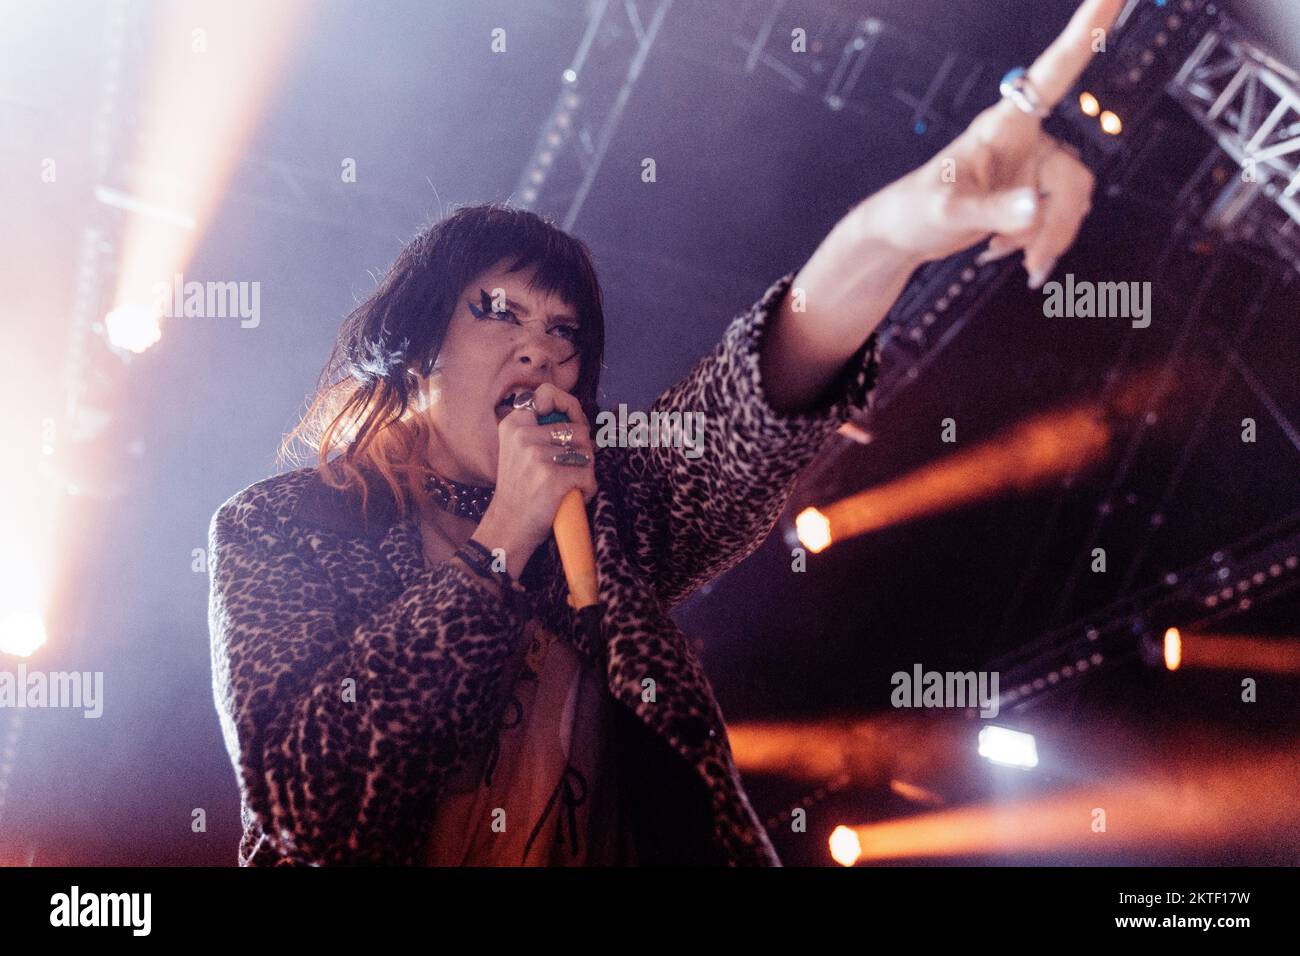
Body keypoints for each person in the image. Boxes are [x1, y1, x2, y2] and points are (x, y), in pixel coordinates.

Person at [207, 0, 1118, 866]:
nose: (539, 350)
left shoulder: (612, 512)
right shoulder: (283, 527)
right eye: (497, 312)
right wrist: (500, 547)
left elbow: (752, 401)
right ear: (415, 347)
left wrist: (895, 231)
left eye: (565, 332)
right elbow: (313, 806)